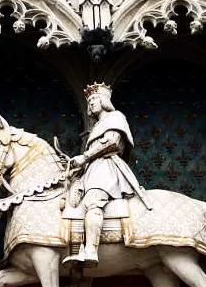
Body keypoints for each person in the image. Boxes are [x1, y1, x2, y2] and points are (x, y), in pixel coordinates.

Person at [63, 82, 147, 269]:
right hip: (92, 169)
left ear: (104, 100)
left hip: (107, 167)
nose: (91, 103)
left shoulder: (116, 117)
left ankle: (91, 251)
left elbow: (112, 143)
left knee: (93, 200)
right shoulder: (97, 125)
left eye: (94, 99)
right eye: (89, 101)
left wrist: (84, 157)